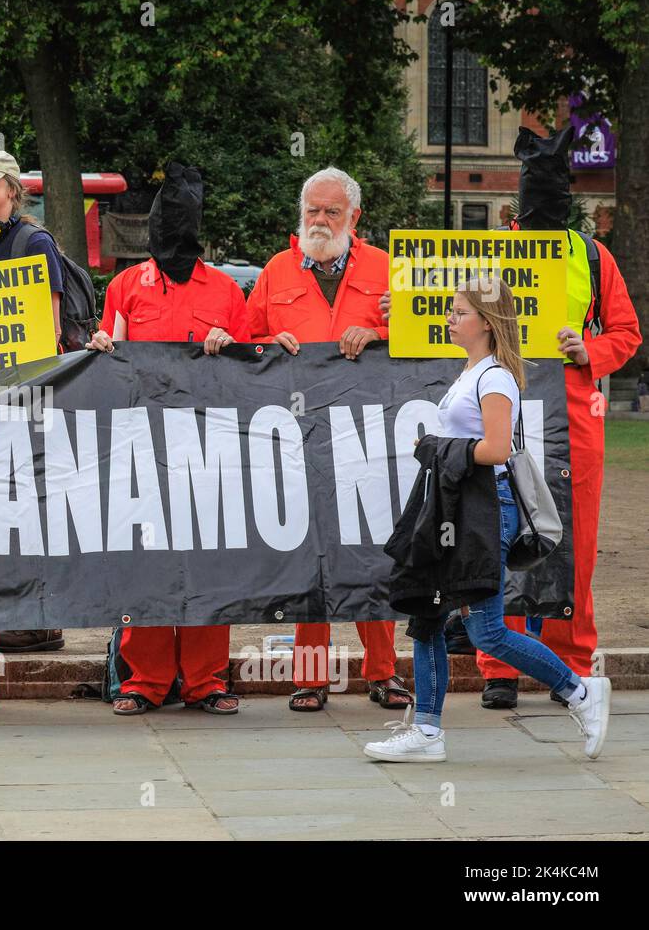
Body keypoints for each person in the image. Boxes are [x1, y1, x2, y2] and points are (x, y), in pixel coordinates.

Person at [366, 277, 611, 762]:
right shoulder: (473, 371)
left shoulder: (494, 377)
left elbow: (497, 450)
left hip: (484, 510)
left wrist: (436, 449)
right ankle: (429, 733)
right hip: (457, 508)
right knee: (429, 617)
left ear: (485, 320)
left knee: (486, 632)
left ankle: (581, 692)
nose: (450, 319)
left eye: (459, 312)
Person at [471, 128, 642, 709]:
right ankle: (499, 665)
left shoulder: (592, 255)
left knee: (577, 544)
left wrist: (589, 351)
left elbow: (626, 333)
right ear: (517, 206)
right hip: (503, 415)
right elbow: (445, 320)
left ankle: (569, 661)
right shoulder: (489, 253)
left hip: (575, 420)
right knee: (501, 537)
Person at [245, 166, 410, 713]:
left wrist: (388, 329)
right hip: (299, 439)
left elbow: (431, 345)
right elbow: (248, 341)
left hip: (371, 441)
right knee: (310, 560)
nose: (319, 220)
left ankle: (382, 675)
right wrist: (272, 338)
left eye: (331, 211)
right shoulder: (275, 270)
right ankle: (311, 678)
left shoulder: (388, 269)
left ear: (353, 217)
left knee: (372, 556)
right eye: (312, 210)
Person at [88, 163, 248, 716]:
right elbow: (106, 350)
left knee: (207, 560)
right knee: (147, 561)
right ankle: (144, 681)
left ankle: (206, 680)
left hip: (209, 447)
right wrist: (102, 344)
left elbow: (251, 367)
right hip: (143, 448)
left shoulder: (228, 291)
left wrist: (230, 344)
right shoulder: (125, 287)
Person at [0, 149, 66, 653]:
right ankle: (12, 611)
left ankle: (38, 622)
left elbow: (50, 325)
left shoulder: (32, 242)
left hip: (24, 396)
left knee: (26, 505)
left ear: (11, 188)